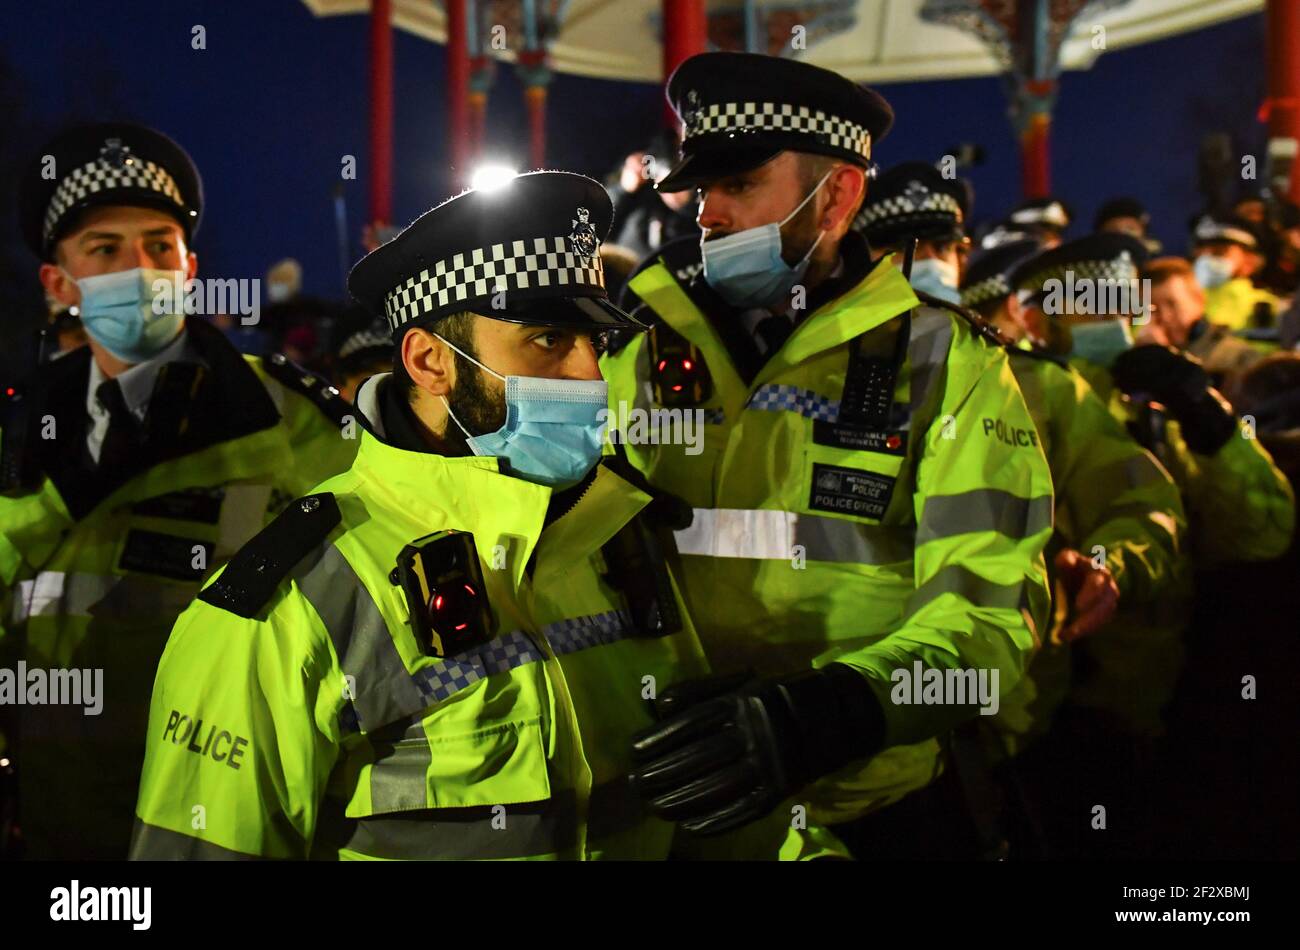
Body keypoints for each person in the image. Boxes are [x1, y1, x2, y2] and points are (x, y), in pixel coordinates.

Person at [130, 171, 822, 862]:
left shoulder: (617, 537)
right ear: (430, 362)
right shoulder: (288, 602)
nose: (591, 377)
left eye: (596, 343)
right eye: (549, 340)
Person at [601, 52, 1053, 859]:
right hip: (662, 808)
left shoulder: (948, 365)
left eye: (738, 186)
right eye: (703, 190)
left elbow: (990, 618)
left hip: (864, 805)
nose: (707, 215)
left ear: (839, 193)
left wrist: (824, 717)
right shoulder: (618, 346)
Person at [0, 122, 358, 859]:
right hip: (51, 827)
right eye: (105, 249)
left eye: (159, 245)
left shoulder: (289, 421)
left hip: (220, 830)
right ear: (59, 283)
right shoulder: (20, 434)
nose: (140, 269)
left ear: (190, 265)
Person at [960, 237, 1188, 856]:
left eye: (1120, 305)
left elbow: (1254, 531)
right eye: (1089, 306)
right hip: (1044, 713)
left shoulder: (1164, 398)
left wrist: (1214, 426)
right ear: (1033, 317)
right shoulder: (1026, 390)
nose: (1111, 322)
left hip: (1151, 706)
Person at [854, 160, 970, 302]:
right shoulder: (831, 323)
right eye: (903, 246)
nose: (930, 259)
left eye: (942, 247)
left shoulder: (977, 324)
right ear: (863, 255)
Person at [1138, 256, 1263, 384]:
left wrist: (1163, 358)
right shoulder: (1138, 358)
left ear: (1198, 300)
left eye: (1172, 304)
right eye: (1152, 308)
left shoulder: (1239, 357)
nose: (1165, 316)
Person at [608, 132, 699, 262]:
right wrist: (624, 189)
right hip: (627, 265)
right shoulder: (650, 150)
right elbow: (597, 223)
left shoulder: (705, 160)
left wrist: (687, 205)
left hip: (677, 266)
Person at [1189, 213, 1284, 331]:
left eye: (1219, 252)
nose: (1206, 258)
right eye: (1200, 251)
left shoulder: (1272, 309)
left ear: (1250, 261)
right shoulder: (1180, 303)